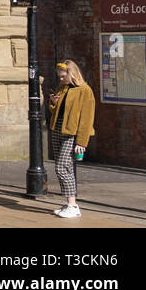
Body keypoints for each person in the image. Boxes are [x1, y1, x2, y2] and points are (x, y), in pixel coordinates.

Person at [45, 59, 95, 218]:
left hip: (71, 133)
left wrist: (82, 142)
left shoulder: (85, 90)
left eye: (63, 76)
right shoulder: (63, 88)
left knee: (62, 167)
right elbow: (56, 110)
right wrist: (53, 103)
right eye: (59, 77)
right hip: (57, 129)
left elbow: (87, 118)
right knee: (63, 167)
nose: (60, 79)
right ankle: (70, 203)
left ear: (71, 74)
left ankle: (73, 205)